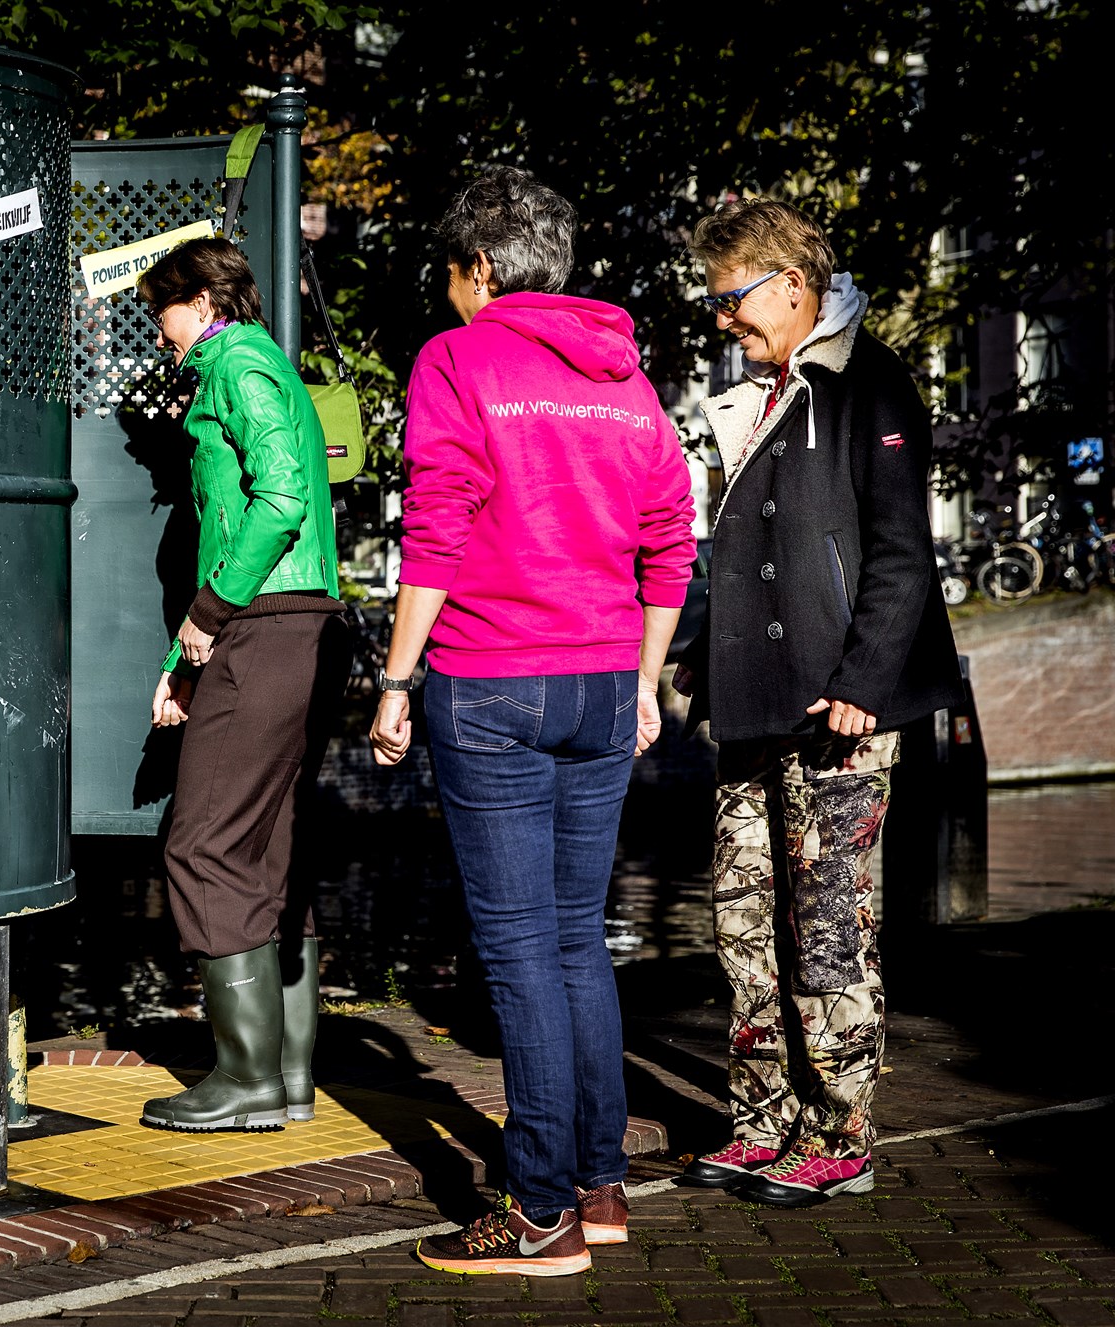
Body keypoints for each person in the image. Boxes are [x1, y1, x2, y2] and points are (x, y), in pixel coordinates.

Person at [369, 167, 696, 1276]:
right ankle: (599, 1183)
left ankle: (537, 1208)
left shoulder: (456, 358)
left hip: (492, 679)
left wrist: (395, 680)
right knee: (573, 940)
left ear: (480, 270)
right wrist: (644, 679)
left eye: (452, 274)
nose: (450, 293)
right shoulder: (625, 376)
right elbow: (668, 539)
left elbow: (438, 522)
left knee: (516, 951)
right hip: (605, 681)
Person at [670, 199, 964, 1207]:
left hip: (837, 709)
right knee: (743, 923)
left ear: (791, 285)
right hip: (752, 707)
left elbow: (896, 554)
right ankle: (762, 1121)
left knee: (828, 923)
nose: (720, 318)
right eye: (712, 302)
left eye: (730, 297)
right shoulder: (757, 389)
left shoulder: (861, 380)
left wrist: (862, 686)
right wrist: (698, 656)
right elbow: (751, 556)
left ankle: (839, 1136)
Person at [137, 237, 351, 1132]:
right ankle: (287, 1078)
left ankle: (245, 1077)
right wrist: (183, 666)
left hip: (260, 620)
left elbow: (282, 496)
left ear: (199, 300)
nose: (160, 335)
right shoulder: (261, 365)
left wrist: (210, 615)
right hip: (287, 625)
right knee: (265, 849)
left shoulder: (239, 363)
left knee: (201, 845)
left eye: (163, 313)